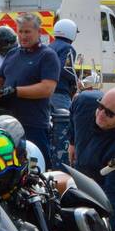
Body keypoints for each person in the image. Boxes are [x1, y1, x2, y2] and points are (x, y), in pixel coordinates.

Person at [66, 87, 115, 231]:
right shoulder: (85, 101)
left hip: (104, 185)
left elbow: (113, 195)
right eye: (100, 107)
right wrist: (72, 141)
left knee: (111, 230)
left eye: (109, 114)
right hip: (81, 172)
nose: (101, 114)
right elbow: (73, 111)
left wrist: (95, 219)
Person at [0, 12, 59, 166]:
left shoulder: (47, 55)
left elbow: (47, 88)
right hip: (8, 124)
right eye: (20, 31)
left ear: (39, 32)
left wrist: (16, 91)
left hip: (34, 124)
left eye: (27, 31)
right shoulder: (12, 54)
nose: (23, 36)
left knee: (38, 168)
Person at [48, 18, 79, 168]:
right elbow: (66, 68)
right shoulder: (68, 48)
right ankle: (64, 161)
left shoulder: (50, 46)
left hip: (48, 91)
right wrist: (76, 79)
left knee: (51, 125)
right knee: (66, 123)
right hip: (60, 92)